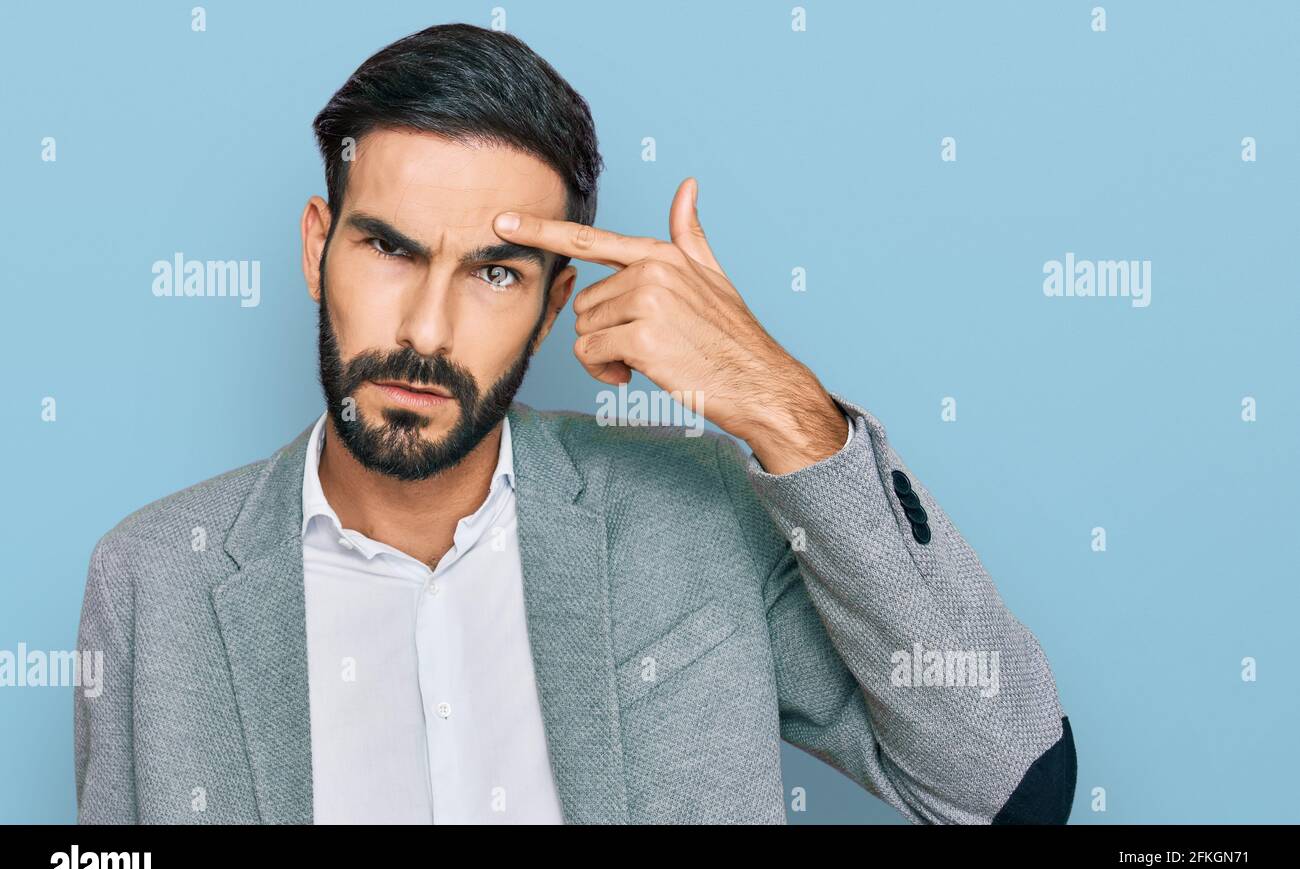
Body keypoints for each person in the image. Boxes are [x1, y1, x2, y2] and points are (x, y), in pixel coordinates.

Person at [74, 22, 1075, 824]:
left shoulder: (698, 515)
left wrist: (781, 406)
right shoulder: (154, 576)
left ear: (554, 307)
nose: (426, 331)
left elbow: (1004, 784)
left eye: (494, 273)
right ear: (316, 247)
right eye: (389, 249)